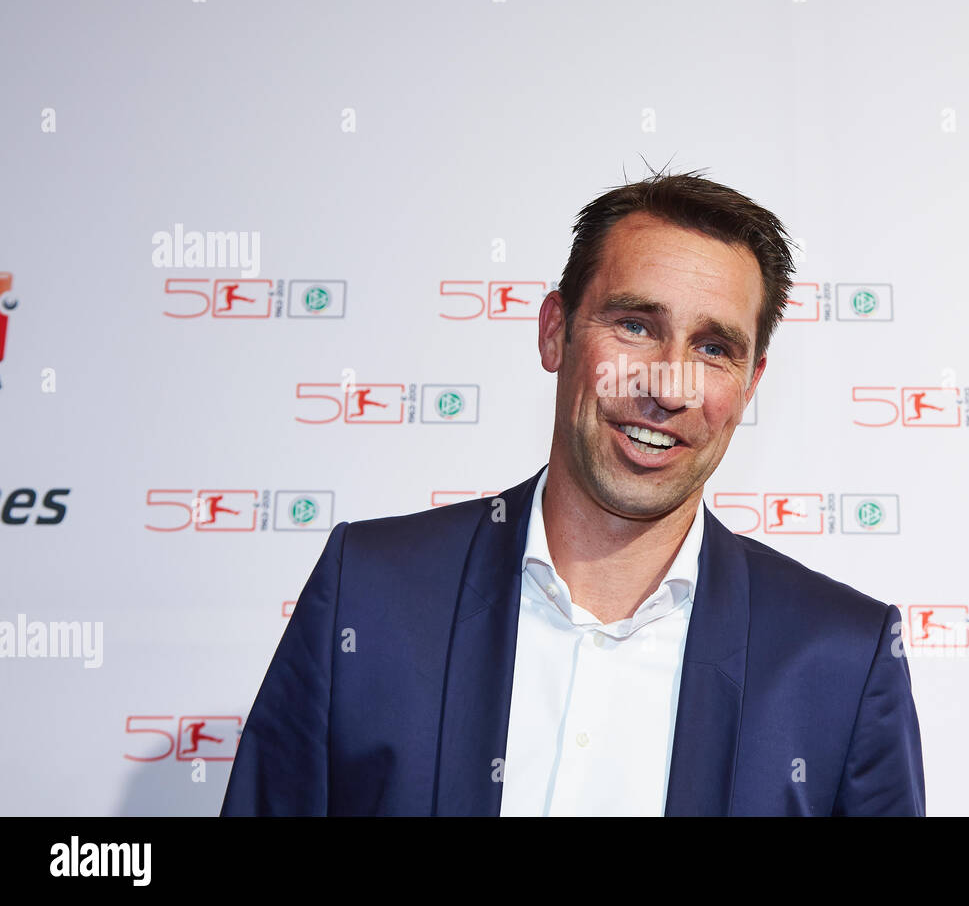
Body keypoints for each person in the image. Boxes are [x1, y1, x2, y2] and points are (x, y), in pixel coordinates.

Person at [220, 169, 925, 816]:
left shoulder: (841, 660)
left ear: (749, 384)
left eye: (713, 349)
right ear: (555, 332)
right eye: (635, 326)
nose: (667, 386)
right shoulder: (370, 592)